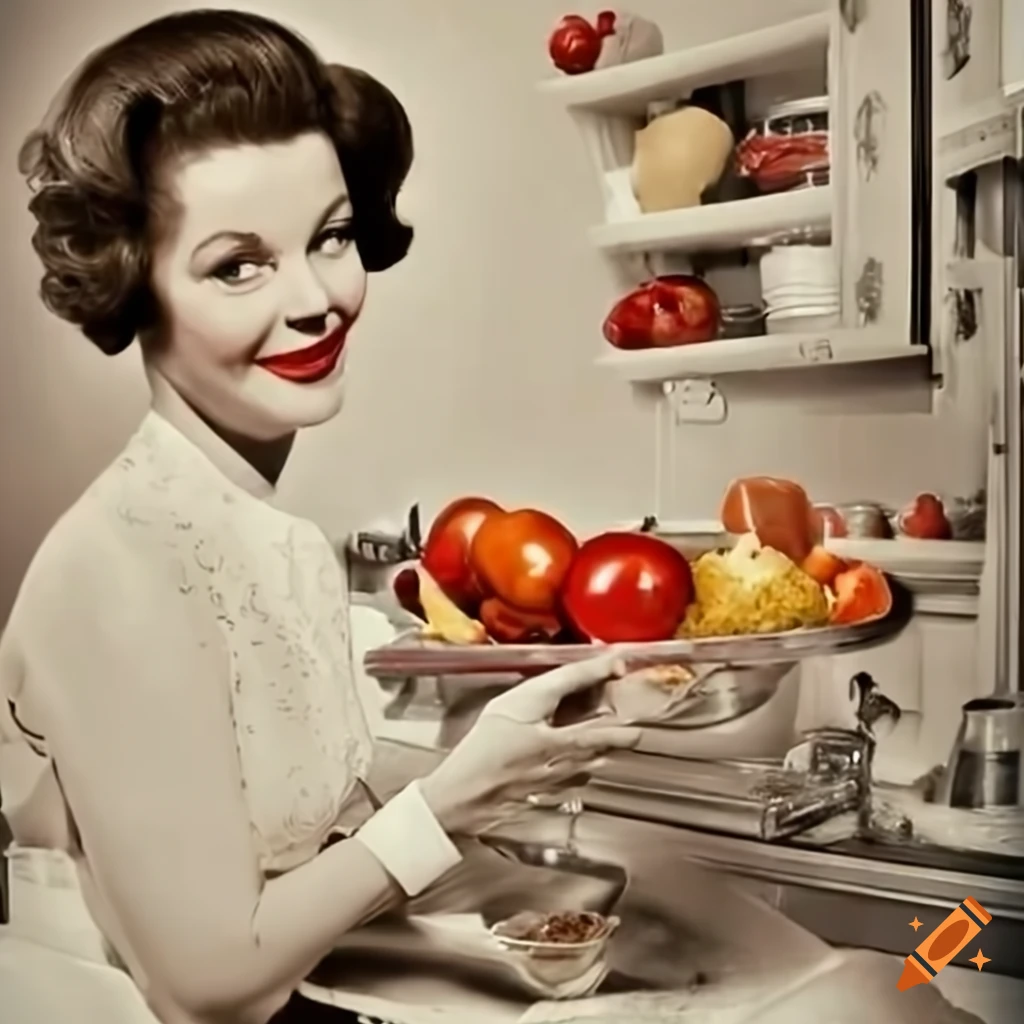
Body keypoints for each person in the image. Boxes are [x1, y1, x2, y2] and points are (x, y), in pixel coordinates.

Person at [0, 10, 641, 1024]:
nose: (316, 300)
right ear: (137, 283)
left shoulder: (278, 541)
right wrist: (451, 802)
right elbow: (204, 984)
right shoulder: (115, 568)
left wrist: (510, 745)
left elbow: (307, 850)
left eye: (331, 238)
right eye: (235, 265)